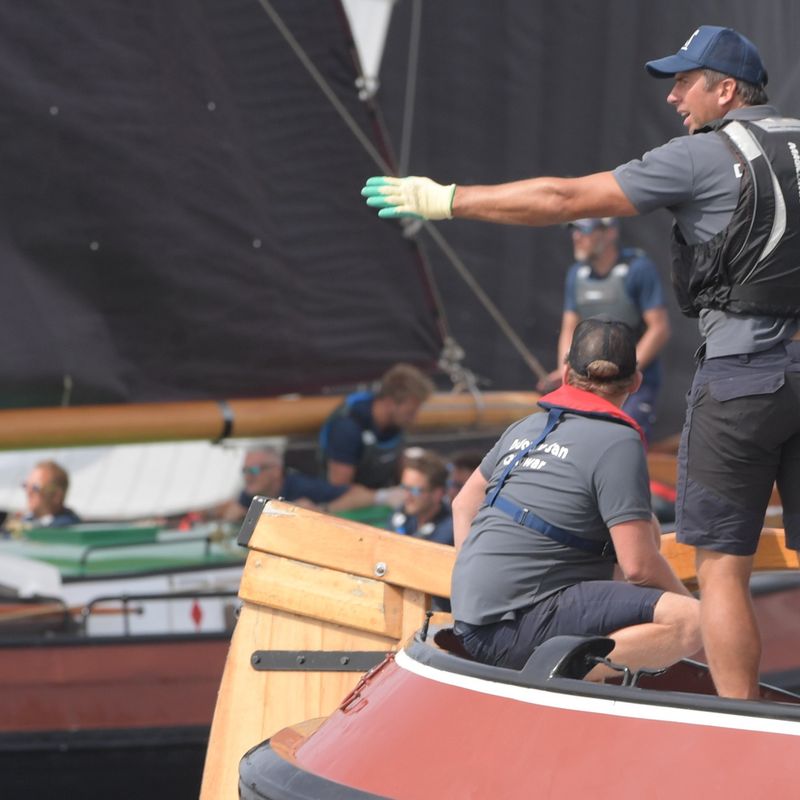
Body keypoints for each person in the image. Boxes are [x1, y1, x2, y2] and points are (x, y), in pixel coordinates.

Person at [362, 25, 800, 699]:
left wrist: (445, 199)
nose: (675, 97)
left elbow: (564, 199)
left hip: (743, 377)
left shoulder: (701, 157)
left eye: (686, 82)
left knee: (719, 571)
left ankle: (741, 725)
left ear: (727, 89)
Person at [449, 318, 700, 678]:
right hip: (517, 627)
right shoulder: (618, 442)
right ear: (635, 382)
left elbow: (463, 504)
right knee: (692, 621)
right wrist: (686, 602)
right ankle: (562, 679)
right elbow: (638, 567)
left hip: (471, 619)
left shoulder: (525, 427)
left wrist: (468, 586)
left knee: (648, 527)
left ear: (566, 374)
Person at [538, 217, 670, 440]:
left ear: (610, 233)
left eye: (585, 229)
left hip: (632, 384)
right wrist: (566, 369)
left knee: (622, 439)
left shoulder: (637, 269)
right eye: (573, 230)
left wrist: (624, 370)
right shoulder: (576, 275)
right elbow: (569, 327)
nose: (576, 236)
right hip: (588, 381)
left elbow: (659, 329)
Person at [318, 363, 435, 489]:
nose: (414, 419)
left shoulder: (396, 422)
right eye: (410, 413)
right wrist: (382, 497)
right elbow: (338, 489)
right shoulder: (347, 428)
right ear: (390, 403)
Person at [214, 445, 397, 523]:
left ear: (276, 470)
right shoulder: (248, 494)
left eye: (253, 470)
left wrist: (322, 509)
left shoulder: (303, 487)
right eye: (244, 471)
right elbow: (231, 512)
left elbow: (357, 493)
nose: (248, 477)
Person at [389, 449, 454, 546]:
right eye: (405, 488)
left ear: (438, 494)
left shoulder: (450, 530)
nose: (407, 496)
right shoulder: (401, 514)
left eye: (415, 491)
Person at [20, 460, 81, 528]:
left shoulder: (68, 528)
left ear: (56, 495)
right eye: (26, 486)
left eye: (35, 487)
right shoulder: (25, 522)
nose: (28, 492)